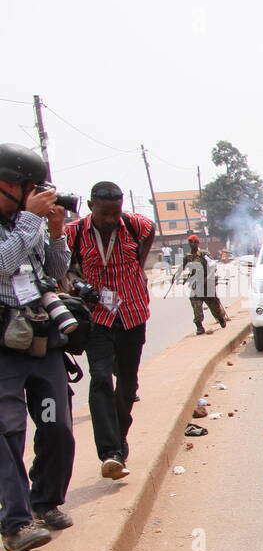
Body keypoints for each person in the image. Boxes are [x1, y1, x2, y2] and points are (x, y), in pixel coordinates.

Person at [0, 143, 75, 551]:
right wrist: (31, 219)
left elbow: (56, 273)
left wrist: (57, 234)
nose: (34, 195)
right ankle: (15, 523)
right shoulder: (20, 223)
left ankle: (44, 502)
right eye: (29, 187)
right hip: (4, 348)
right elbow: (3, 263)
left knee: (56, 424)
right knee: (7, 430)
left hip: (40, 337)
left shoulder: (26, 223)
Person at [65, 181, 155, 480]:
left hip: (132, 314)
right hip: (98, 316)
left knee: (128, 386)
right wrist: (77, 285)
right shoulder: (74, 233)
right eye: (104, 213)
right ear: (91, 207)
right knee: (101, 378)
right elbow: (63, 269)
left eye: (116, 213)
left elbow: (145, 246)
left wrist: (135, 271)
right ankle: (110, 453)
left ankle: (120, 438)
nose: (110, 219)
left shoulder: (137, 226)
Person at [180, 234, 227, 334]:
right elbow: (182, 267)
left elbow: (213, 266)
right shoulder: (187, 257)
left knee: (214, 305)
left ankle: (221, 318)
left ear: (197, 243)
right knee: (196, 304)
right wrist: (176, 276)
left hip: (207, 285)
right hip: (196, 285)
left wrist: (208, 277)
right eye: (190, 242)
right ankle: (199, 326)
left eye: (194, 242)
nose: (192, 244)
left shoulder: (204, 254)